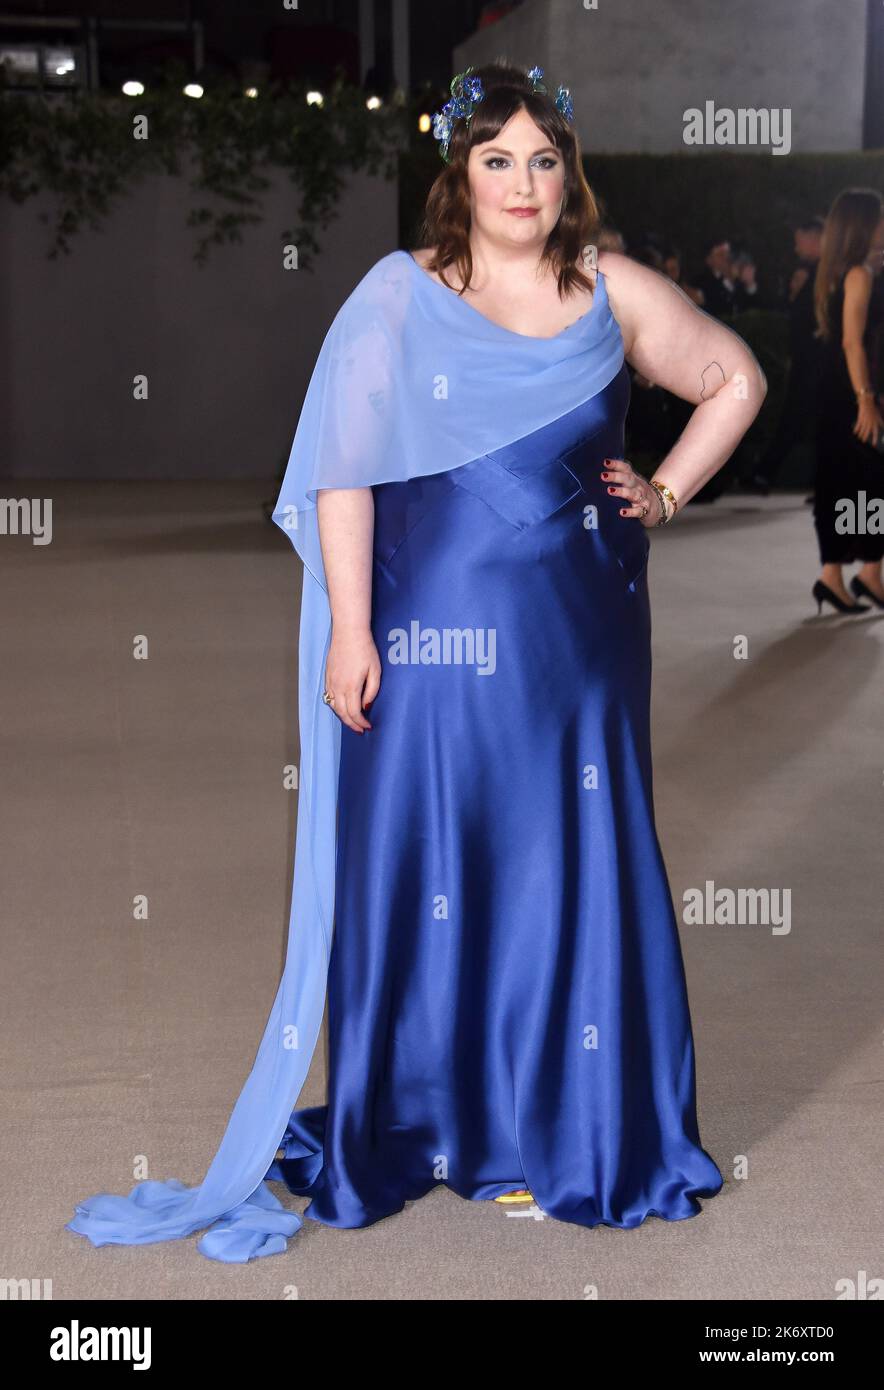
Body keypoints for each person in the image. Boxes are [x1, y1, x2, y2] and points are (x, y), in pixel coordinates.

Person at [67, 61, 766, 1263]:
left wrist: (661, 491)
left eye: (542, 159)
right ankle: (433, 1118)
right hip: (423, 641)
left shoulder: (611, 291)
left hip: (577, 646)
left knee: (564, 856)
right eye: (497, 160)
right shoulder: (398, 296)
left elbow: (733, 378)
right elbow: (341, 471)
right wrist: (349, 627)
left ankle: (569, 1125)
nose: (522, 183)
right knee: (433, 848)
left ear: (567, 174)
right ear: (460, 172)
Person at [811, 188, 884, 615]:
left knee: (843, 482)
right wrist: (866, 399)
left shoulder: (838, 272)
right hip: (851, 393)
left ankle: (838, 576)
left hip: (836, 391)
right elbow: (852, 342)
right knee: (869, 482)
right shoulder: (860, 274)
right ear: (863, 224)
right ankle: (864, 573)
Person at [743, 216, 825, 493]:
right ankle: (766, 473)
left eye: (799, 241)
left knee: (802, 418)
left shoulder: (826, 272)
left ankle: (765, 472)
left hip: (816, 360)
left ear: (814, 238)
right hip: (807, 359)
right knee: (800, 418)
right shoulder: (813, 272)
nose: (796, 248)